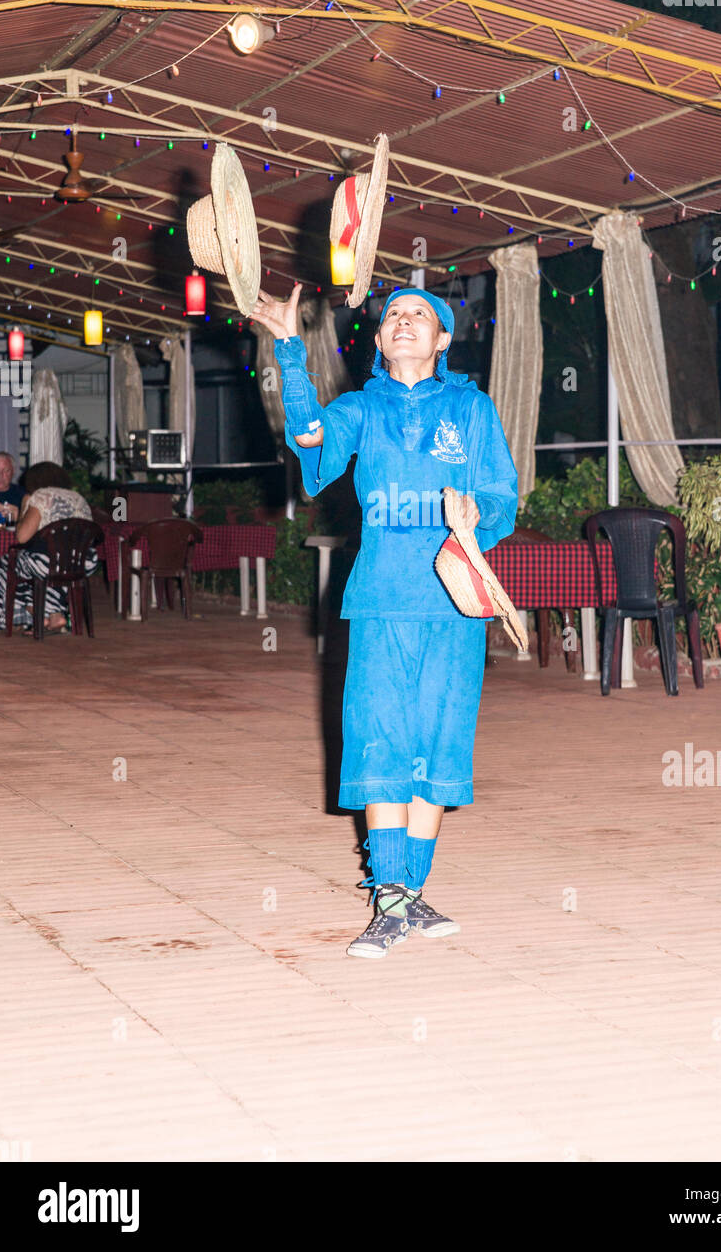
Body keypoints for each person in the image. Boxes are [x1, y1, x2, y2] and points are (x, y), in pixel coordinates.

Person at [251, 283, 518, 959]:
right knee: (379, 743)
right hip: (378, 599)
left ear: (442, 339)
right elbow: (311, 438)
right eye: (393, 314)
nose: (404, 321)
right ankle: (392, 899)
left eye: (419, 314)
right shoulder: (362, 408)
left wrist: (477, 512)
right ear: (378, 340)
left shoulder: (472, 408)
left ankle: (408, 894)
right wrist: (289, 349)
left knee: (437, 746)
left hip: (453, 602)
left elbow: (502, 495)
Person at [0, 462, 98, 633]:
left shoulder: (41, 497)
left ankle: (29, 617)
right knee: (33, 564)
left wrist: (24, 509)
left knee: (8, 563)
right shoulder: (78, 498)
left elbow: (21, 537)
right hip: (83, 561)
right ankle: (54, 616)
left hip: (51, 562)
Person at [0, 451, 25, 523]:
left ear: (13, 472)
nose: (0, 475)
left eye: (6, 471)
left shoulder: (23, 495)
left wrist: (19, 517)